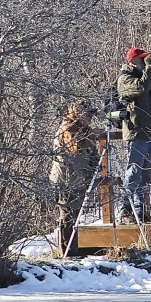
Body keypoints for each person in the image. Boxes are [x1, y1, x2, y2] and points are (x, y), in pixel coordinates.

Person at [117, 46, 151, 223]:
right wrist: (150, 70)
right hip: (135, 132)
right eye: (142, 59)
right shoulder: (125, 78)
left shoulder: (144, 76)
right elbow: (142, 89)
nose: (145, 62)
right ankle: (125, 211)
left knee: (145, 175)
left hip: (147, 132)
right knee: (134, 173)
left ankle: (141, 211)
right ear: (133, 61)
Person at [49, 101, 99, 255]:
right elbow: (74, 151)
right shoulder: (67, 127)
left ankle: (73, 249)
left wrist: (93, 164)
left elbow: (91, 154)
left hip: (77, 178)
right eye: (87, 114)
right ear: (79, 113)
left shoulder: (84, 129)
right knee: (67, 216)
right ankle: (67, 251)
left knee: (75, 216)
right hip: (65, 179)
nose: (90, 118)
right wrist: (90, 137)